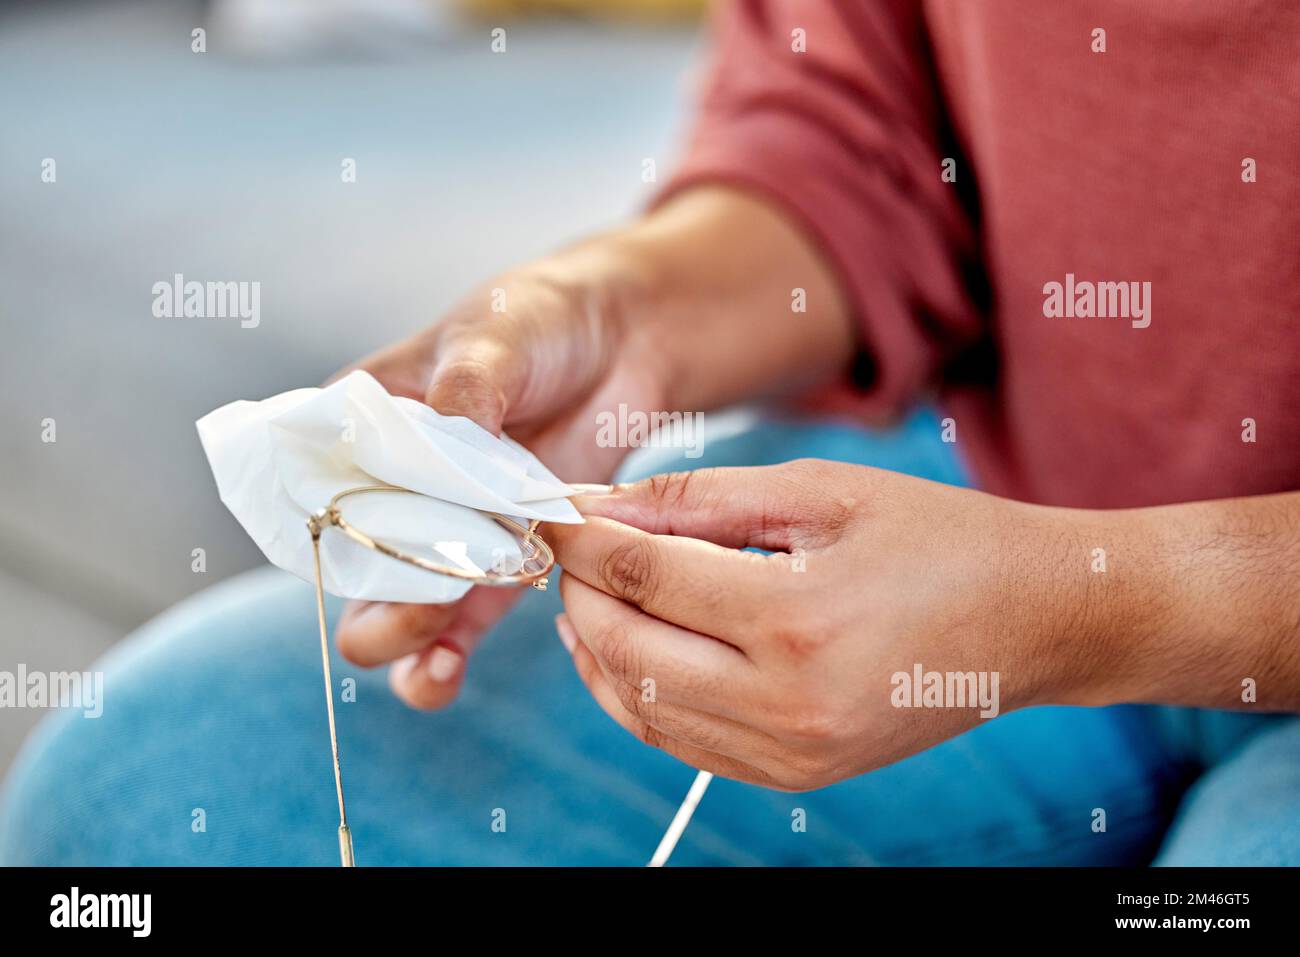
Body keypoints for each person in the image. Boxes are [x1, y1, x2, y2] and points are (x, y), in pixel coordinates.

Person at [3, 1, 1298, 865]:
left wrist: (1088, 605)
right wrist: (618, 315)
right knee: (148, 789)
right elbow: (858, 117)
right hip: (1006, 479)